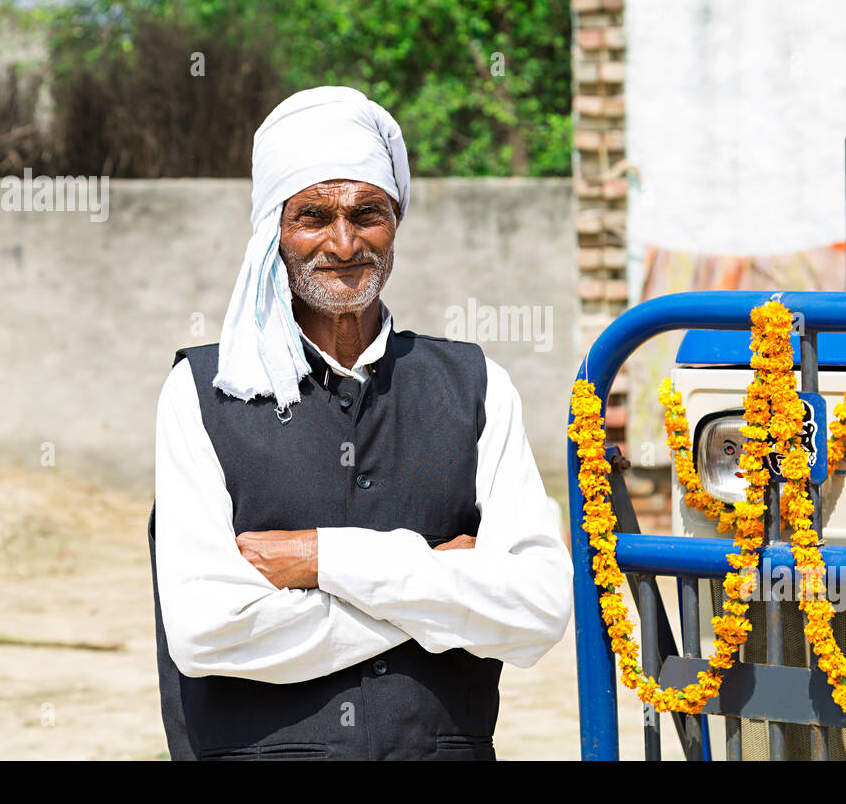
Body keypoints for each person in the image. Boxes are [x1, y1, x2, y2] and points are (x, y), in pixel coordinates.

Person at [146, 86, 573, 760]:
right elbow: (205, 631)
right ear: (273, 234)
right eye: (312, 215)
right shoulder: (202, 393)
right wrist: (437, 581)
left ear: (396, 220)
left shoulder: (476, 385)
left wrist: (322, 558)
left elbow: (540, 610)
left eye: (367, 213)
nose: (344, 243)